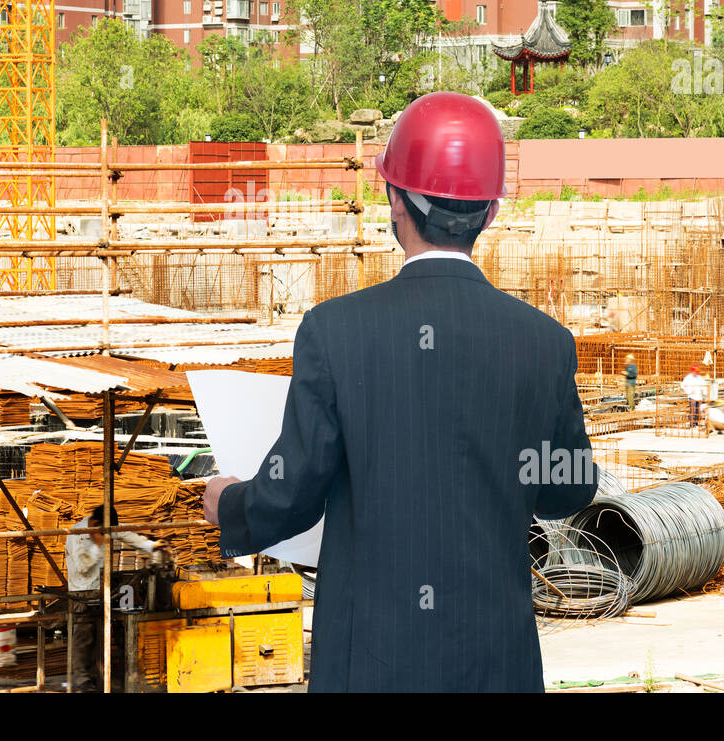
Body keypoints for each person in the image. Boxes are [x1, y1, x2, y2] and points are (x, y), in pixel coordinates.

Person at [203, 91, 597, 693]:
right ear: (489, 212)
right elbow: (565, 489)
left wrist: (230, 504)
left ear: (395, 198)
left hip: (372, 664)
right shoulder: (544, 343)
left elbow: (294, 493)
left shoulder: (336, 332)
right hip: (497, 663)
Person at [65, 504, 169, 693]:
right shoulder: (78, 534)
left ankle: (97, 677)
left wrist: (151, 546)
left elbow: (125, 534)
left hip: (100, 589)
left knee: (100, 637)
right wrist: (96, 544)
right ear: (96, 523)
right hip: (82, 592)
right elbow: (82, 566)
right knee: (83, 638)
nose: (108, 536)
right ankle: (80, 680)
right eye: (105, 532)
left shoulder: (102, 527)